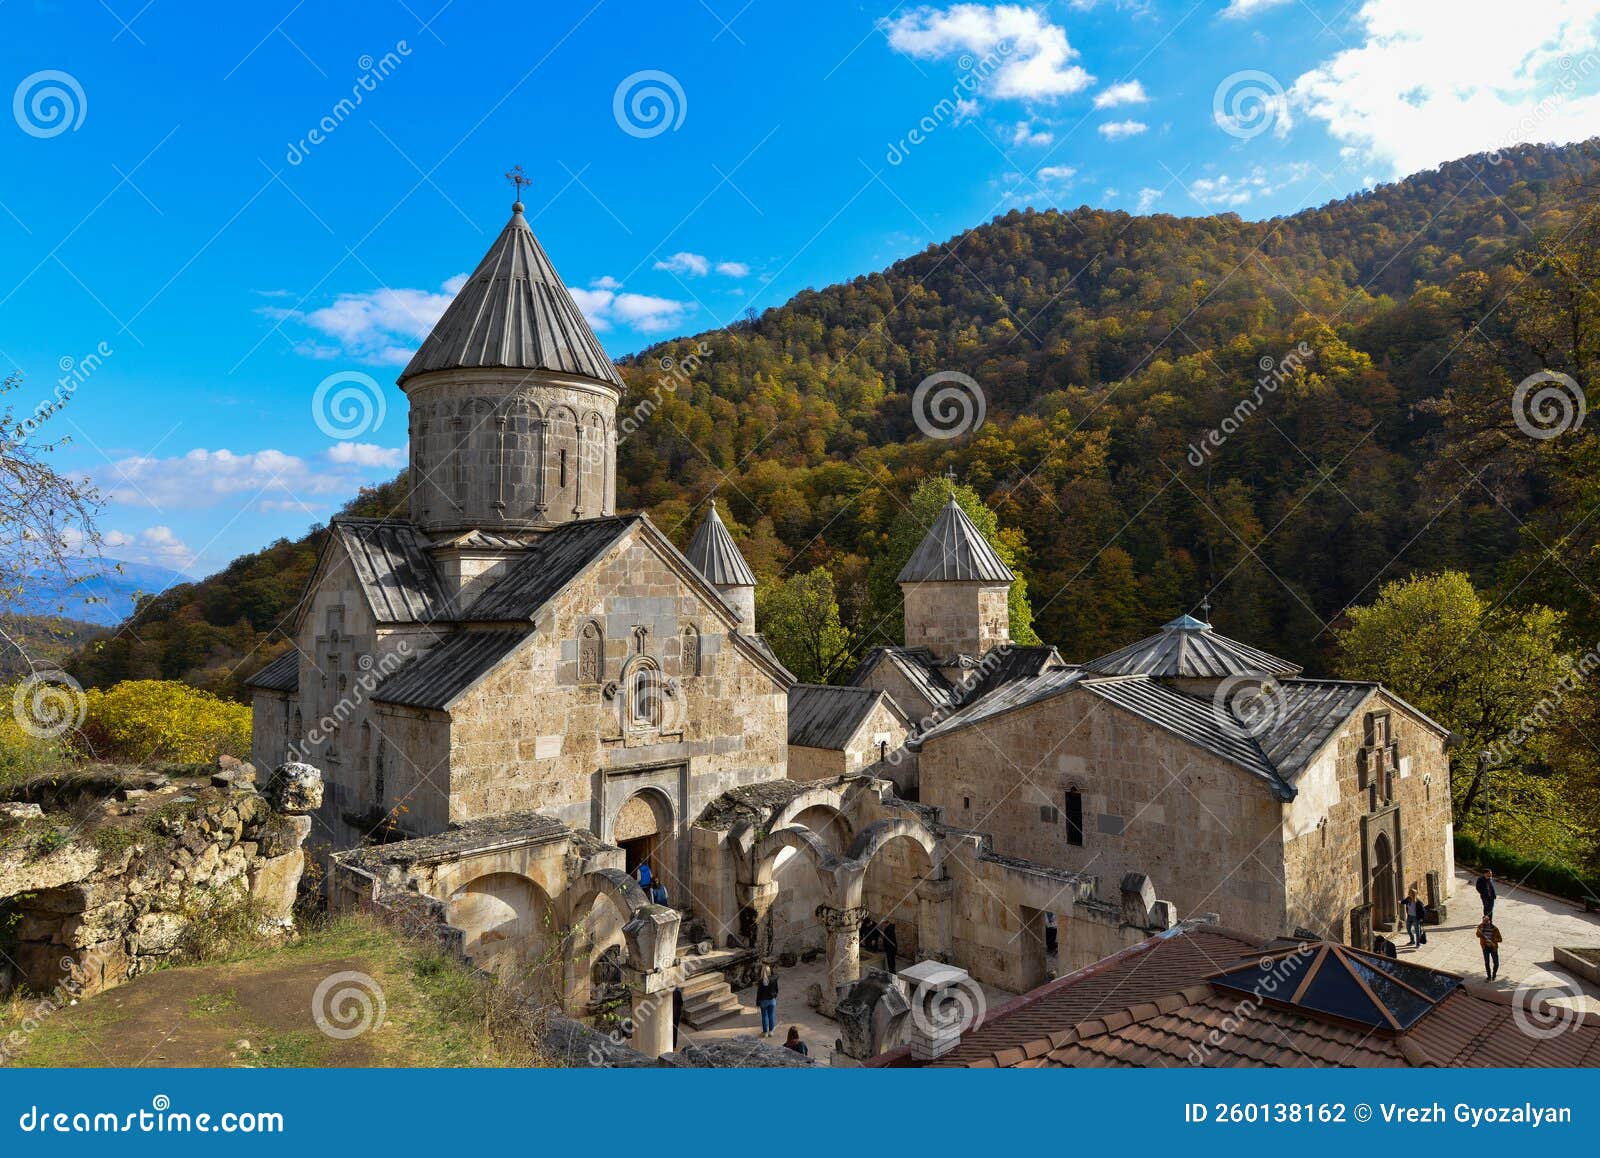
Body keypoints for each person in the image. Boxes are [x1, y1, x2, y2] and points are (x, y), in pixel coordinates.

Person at [1477, 914, 1503, 981]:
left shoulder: (1494, 929)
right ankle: (1489, 976)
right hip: (1485, 947)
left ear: (1489, 921)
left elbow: (1500, 939)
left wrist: (1494, 940)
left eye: (1486, 921)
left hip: (1493, 948)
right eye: (1484, 921)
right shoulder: (1480, 927)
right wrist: (1481, 929)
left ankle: (1494, 974)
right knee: (1487, 962)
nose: (1485, 922)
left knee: (1496, 963)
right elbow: (1477, 935)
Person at [755, 964, 779, 1037]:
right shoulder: (774, 979)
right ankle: (771, 1031)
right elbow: (777, 989)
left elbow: (759, 993)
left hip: (763, 1001)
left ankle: (765, 1032)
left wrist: (757, 1001)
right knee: (771, 1015)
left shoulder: (761, 982)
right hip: (772, 1000)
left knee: (764, 1016)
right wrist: (775, 996)